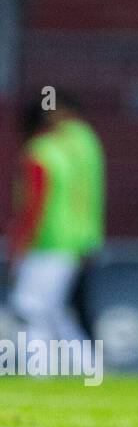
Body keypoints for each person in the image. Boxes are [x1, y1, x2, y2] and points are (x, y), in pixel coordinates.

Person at [8, 97, 82, 361]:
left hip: (46, 243)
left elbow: (34, 204)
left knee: (29, 307)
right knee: (50, 311)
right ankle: (89, 365)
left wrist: (20, 243)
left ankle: (40, 366)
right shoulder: (63, 152)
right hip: (66, 241)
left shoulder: (38, 153)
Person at [54, 93, 106, 339]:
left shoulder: (67, 142)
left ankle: (90, 360)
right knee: (75, 303)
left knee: (64, 303)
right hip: (83, 235)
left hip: (67, 237)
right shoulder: (88, 141)